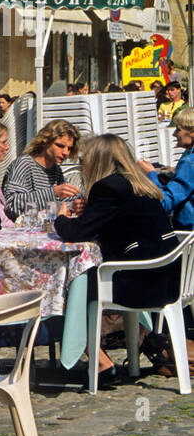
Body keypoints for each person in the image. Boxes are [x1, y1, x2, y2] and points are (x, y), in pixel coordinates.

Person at [55, 134, 181, 384]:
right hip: (168, 276)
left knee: (76, 282)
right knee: (83, 276)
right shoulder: (139, 184)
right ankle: (97, 355)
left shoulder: (108, 187)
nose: (82, 165)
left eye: (84, 160)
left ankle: (98, 360)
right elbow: (118, 221)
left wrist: (61, 215)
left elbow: (75, 233)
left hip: (141, 281)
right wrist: (89, 211)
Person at [2, 119, 80, 221]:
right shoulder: (24, 164)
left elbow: (64, 201)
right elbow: (11, 205)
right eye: (60, 146)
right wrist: (53, 193)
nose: (65, 152)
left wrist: (75, 205)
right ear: (45, 142)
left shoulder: (56, 170)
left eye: (69, 148)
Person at [141, 107, 194, 229]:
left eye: (178, 129)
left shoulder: (189, 162)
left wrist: (151, 174)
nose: (174, 134)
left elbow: (164, 202)